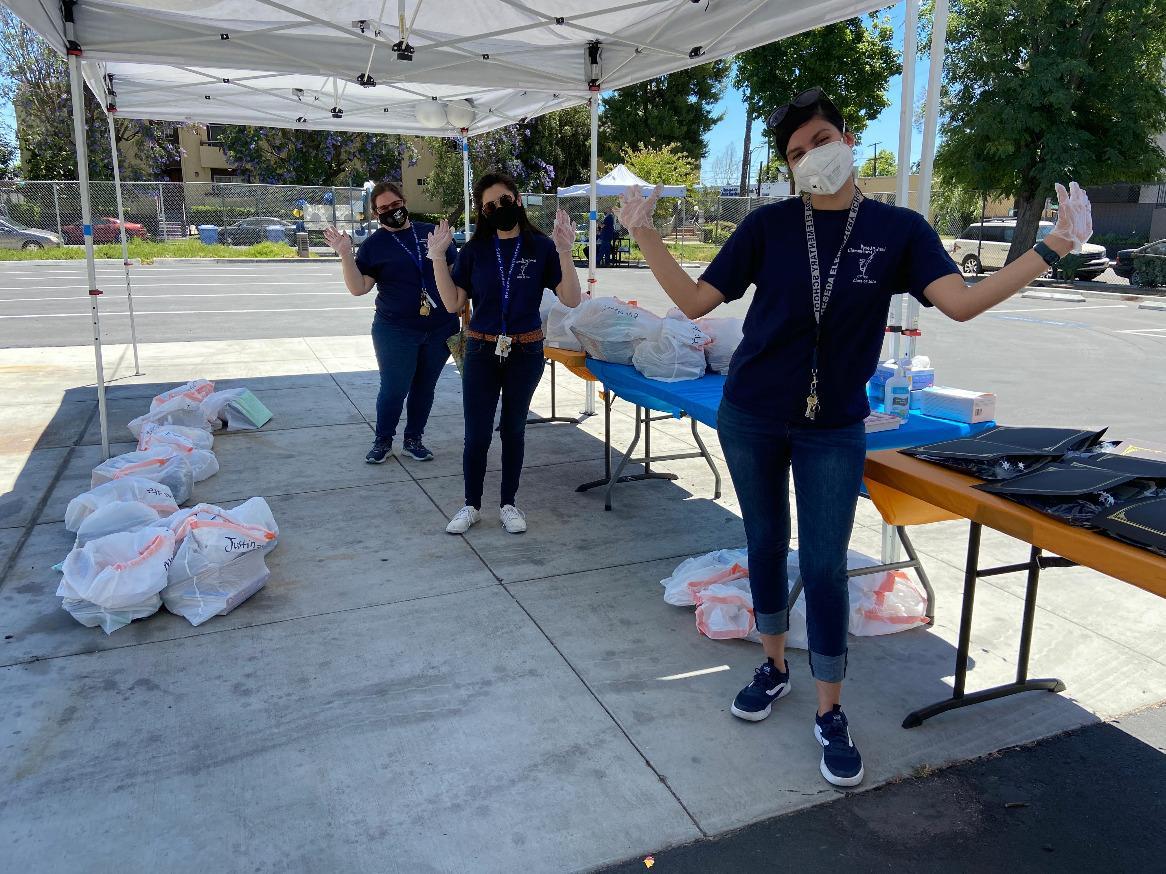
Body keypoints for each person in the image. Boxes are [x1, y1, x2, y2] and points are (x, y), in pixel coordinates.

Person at [618, 86, 1093, 788]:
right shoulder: (769, 227)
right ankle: (775, 666)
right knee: (763, 546)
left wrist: (1054, 245)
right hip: (751, 411)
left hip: (834, 425)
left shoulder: (900, 229)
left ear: (846, 139)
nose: (810, 157)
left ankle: (832, 709)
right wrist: (645, 234)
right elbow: (693, 302)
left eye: (819, 140)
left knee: (827, 564)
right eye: (795, 153)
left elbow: (960, 304)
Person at [428, 172, 582, 534]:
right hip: (481, 348)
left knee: (513, 429)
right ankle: (471, 505)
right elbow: (452, 304)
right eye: (489, 206)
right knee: (477, 433)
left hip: (526, 350)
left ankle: (509, 504)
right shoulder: (475, 252)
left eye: (504, 200)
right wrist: (437, 257)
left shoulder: (541, 247)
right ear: (482, 213)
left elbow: (572, 298)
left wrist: (565, 250)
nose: (498, 208)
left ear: (517, 199)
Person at [324, 181, 458, 464]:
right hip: (395, 329)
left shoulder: (430, 233)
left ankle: (414, 439)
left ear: (404, 201)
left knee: (425, 387)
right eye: (383, 208)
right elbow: (359, 287)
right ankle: (383, 440)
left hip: (439, 327)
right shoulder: (374, 246)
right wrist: (346, 254)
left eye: (395, 205)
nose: (391, 211)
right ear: (375, 214)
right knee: (395, 387)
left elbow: (455, 274)